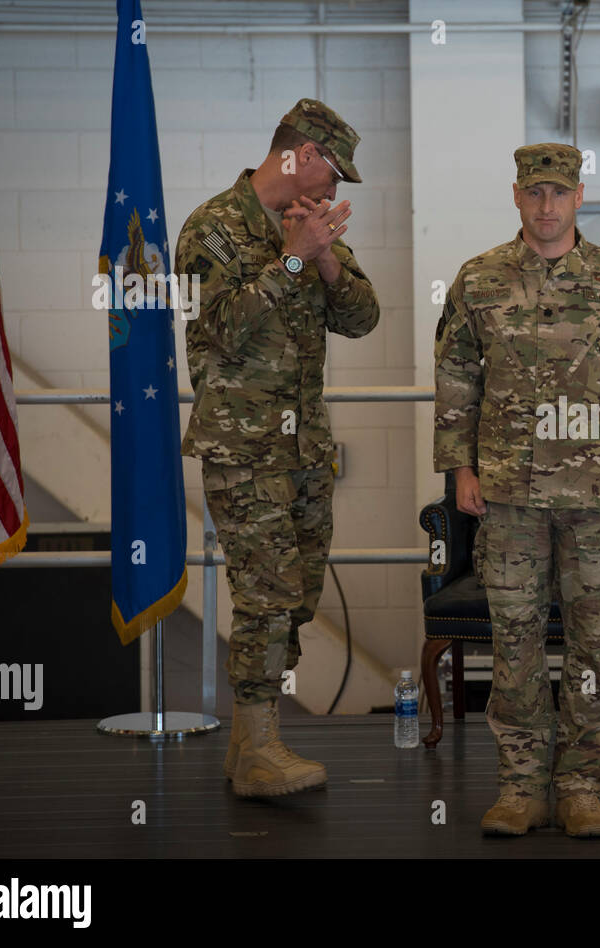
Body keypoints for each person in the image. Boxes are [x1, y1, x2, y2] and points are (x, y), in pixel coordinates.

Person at [433, 142, 600, 838]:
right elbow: (455, 380)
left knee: (595, 643)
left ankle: (582, 784)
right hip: (508, 494)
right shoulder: (479, 280)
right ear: (516, 196)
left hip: (597, 497)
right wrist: (460, 468)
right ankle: (519, 785)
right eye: (534, 193)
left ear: (578, 198)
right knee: (515, 641)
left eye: (559, 193)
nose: (546, 206)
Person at [176, 99, 379, 798]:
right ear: (298, 155)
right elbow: (223, 331)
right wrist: (293, 260)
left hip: (304, 449)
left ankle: (245, 745)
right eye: (332, 171)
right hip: (243, 449)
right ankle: (262, 747)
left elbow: (363, 317)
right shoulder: (213, 228)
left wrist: (322, 261)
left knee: (297, 596)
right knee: (263, 598)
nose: (335, 191)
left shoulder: (313, 228)